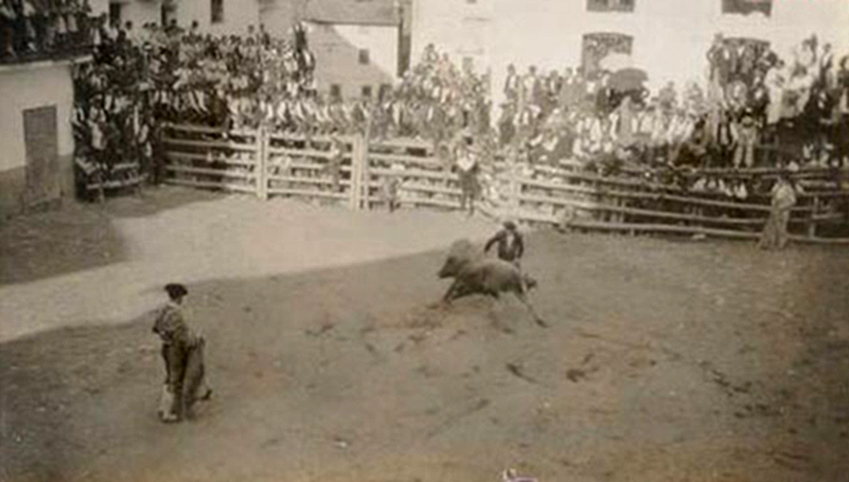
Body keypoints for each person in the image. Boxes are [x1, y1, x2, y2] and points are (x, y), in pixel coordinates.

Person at [152, 283, 212, 423]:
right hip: (176, 349)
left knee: (170, 377)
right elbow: (181, 335)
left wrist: (164, 334)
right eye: (182, 297)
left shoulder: (163, 309)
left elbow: (155, 328)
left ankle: (163, 407)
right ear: (179, 297)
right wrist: (195, 339)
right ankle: (167, 412)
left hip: (166, 347)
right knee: (178, 377)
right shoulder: (176, 312)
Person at [759, 174, 797, 250]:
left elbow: (793, 201)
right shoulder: (776, 186)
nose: (778, 181)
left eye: (779, 179)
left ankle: (781, 244)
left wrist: (785, 206)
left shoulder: (788, 188)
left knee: (781, 227)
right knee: (772, 225)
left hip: (784, 209)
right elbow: (772, 194)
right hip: (775, 207)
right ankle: (769, 243)